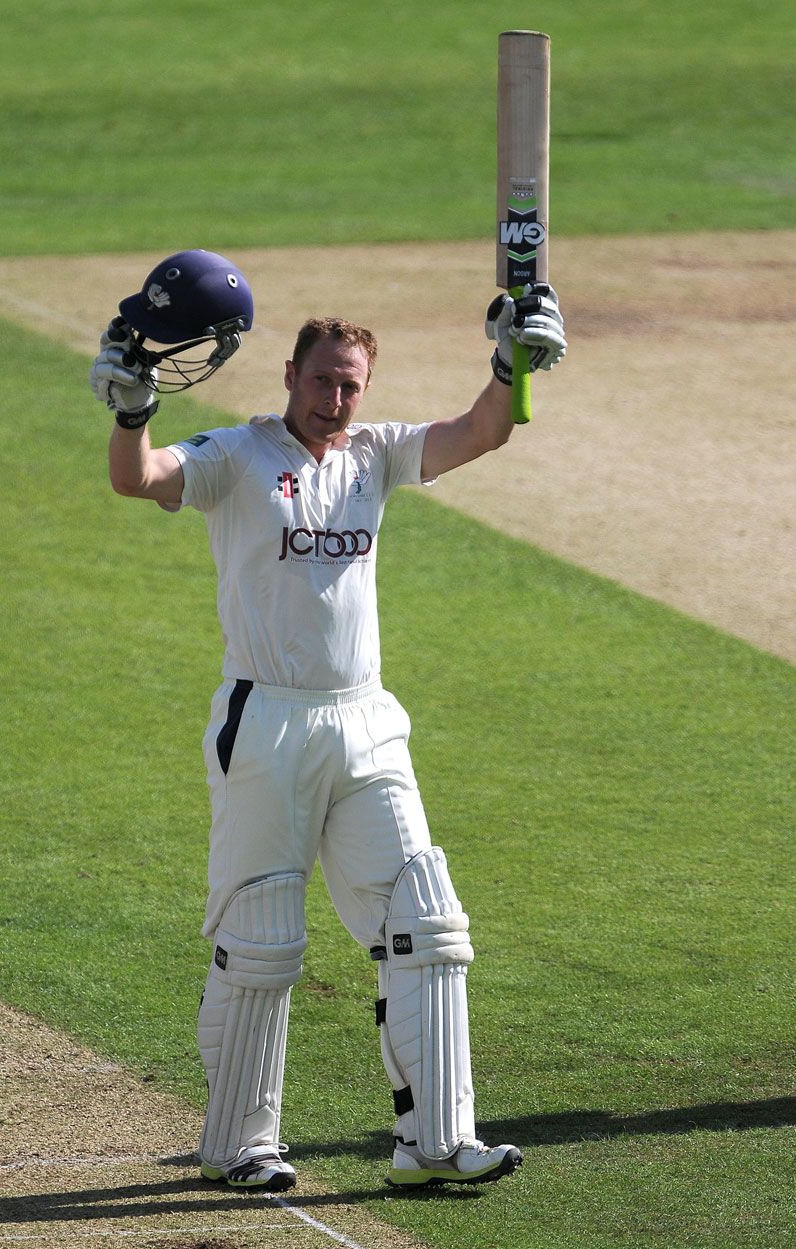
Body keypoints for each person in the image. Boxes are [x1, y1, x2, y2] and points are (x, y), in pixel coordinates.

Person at [89, 249, 566, 1192]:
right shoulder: (236, 455)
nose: (335, 399)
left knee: (424, 920)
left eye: (350, 385)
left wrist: (513, 364)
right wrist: (133, 410)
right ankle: (241, 1144)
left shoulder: (377, 456)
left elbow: (484, 430)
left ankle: (436, 1142)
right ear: (289, 378)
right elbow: (137, 478)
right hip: (265, 721)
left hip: (367, 721)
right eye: (321, 381)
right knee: (263, 935)